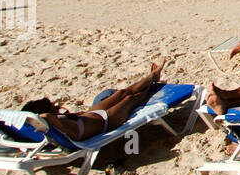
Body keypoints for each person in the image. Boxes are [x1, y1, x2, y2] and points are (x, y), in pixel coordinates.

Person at [22, 57, 167, 141]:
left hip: (91, 114)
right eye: (53, 109)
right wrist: (38, 116)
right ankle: (152, 83)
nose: (57, 109)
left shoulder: (57, 121)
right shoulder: (59, 128)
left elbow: (49, 115)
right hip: (106, 122)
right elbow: (46, 116)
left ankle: (151, 77)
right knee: (130, 99)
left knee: (122, 92)